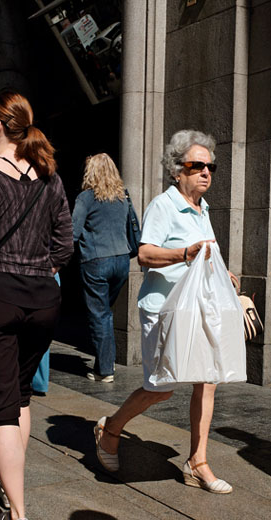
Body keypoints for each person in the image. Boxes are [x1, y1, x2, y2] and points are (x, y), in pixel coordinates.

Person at [93, 130, 237, 494]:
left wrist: (222, 272)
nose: (206, 172)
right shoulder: (164, 205)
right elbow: (144, 255)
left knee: (207, 379)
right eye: (197, 165)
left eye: (210, 166)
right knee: (161, 388)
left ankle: (197, 462)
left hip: (196, 309)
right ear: (177, 170)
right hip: (163, 310)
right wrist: (182, 254)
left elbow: (204, 253)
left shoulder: (203, 210)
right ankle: (110, 429)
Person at [0, 90, 73, 520]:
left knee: (4, 408)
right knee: (22, 395)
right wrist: (37, 269)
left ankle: (18, 511)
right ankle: (12, 488)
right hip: (43, 300)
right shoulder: (50, 177)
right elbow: (65, 244)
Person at [71, 153, 134, 382]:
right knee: (105, 313)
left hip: (97, 261)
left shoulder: (86, 197)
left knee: (100, 316)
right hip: (122, 260)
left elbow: (73, 232)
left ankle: (104, 370)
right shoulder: (122, 197)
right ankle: (104, 363)